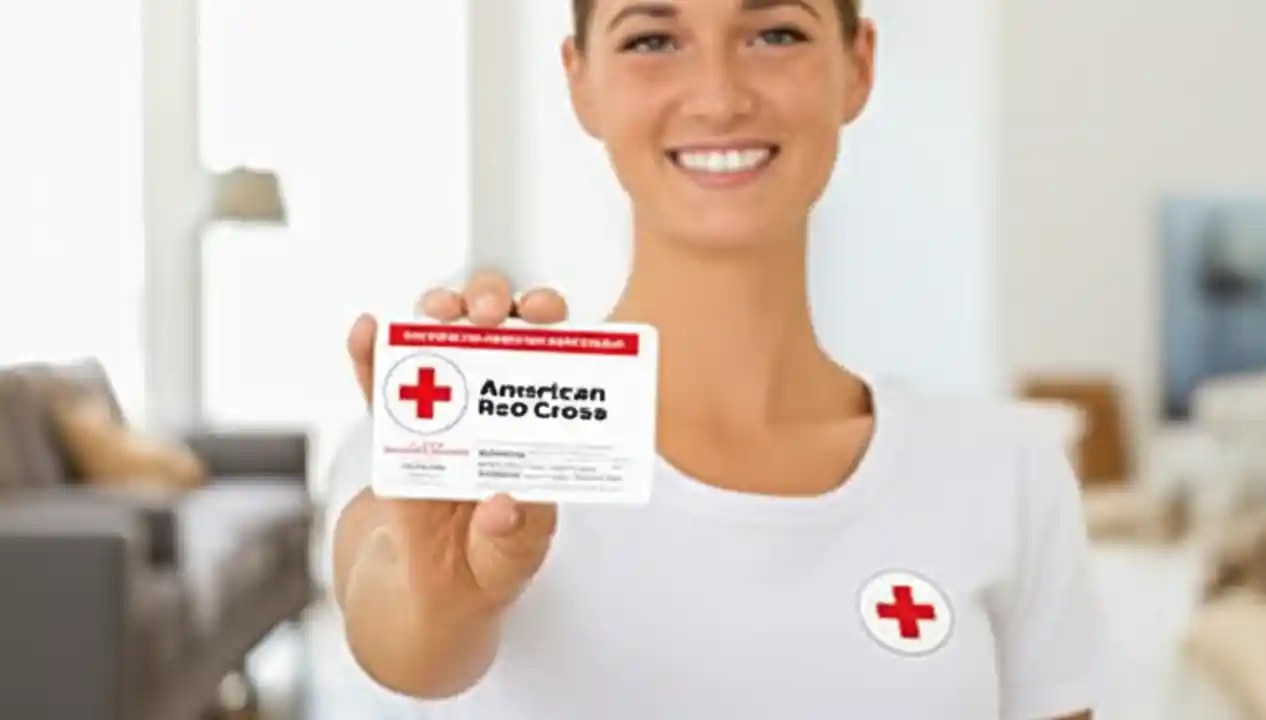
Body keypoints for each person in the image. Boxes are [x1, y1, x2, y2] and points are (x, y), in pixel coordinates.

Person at [328, 0, 1105, 717]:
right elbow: (409, 643)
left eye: (775, 33)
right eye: (653, 40)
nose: (718, 96)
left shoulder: (1002, 473)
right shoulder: (457, 453)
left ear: (858, 65)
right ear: (581, 81)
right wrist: (445, 600)